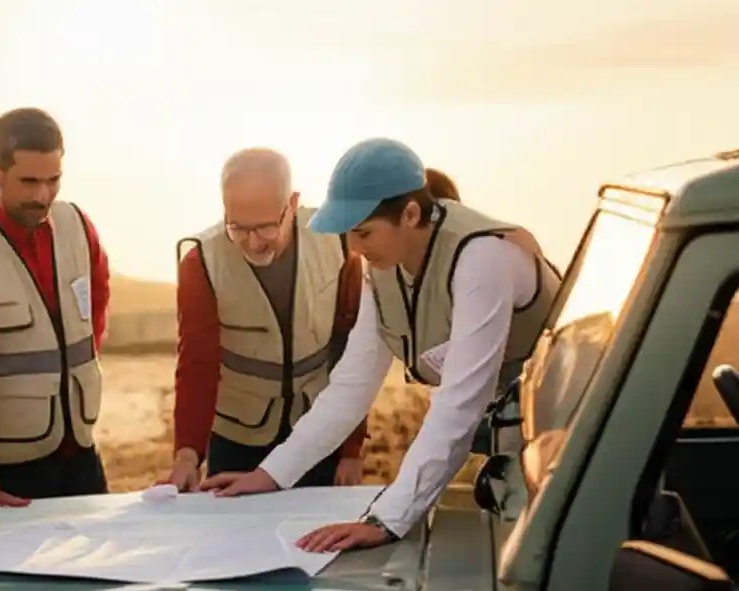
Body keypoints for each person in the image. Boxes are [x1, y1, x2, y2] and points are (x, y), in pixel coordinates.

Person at [200, 138, 560, 553]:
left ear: (409, 214)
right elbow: (351, 386)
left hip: (563, 432)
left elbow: (460, 401)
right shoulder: (380, 266)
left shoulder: (481, 257)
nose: (354, 248)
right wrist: (270, 474)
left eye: (364, 232)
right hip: (512, 436)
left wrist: (387, 520)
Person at [0, 107, 111, 511]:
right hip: (8, 471)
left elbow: (94, 320)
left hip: (81, 456)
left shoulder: (79, 226)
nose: (42, 195)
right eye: (29, 181)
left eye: (53, 180)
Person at [161, 147, 369, 492]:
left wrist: (351, 450)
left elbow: (350, 349)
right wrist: (187, 456)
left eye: (266, 228)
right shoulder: (201, 263)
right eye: (238, 228)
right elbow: (197, 364)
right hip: (238, 440)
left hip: (318, 431)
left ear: (293, 204)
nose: (253, 243)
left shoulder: (338, 241)